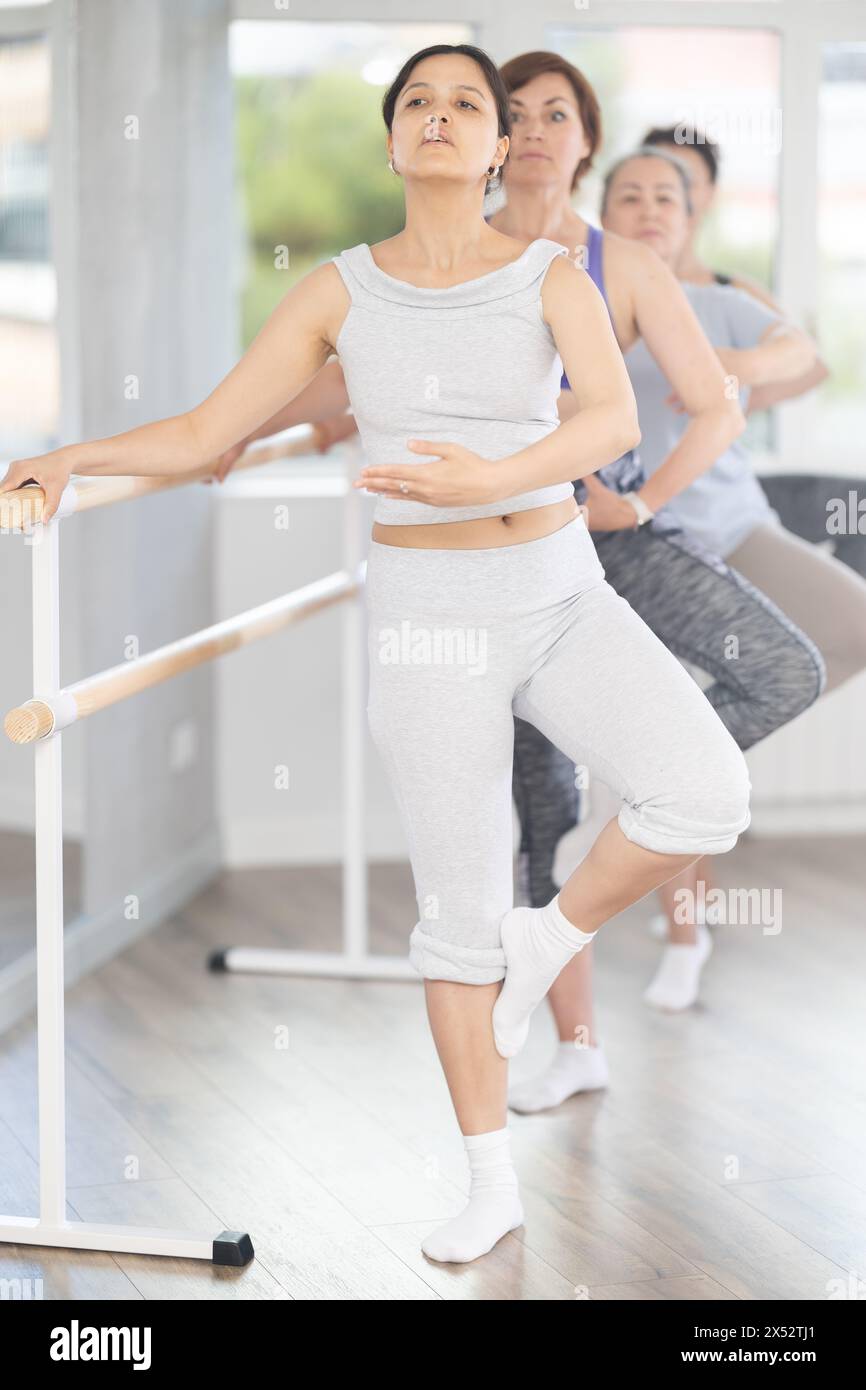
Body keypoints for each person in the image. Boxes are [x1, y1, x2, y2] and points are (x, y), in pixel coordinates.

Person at [0, 42, 759, 1266]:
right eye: (419, 103)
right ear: (395, 144)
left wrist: (493, 474)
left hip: (558, 585)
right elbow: (206, 432)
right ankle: (484, 1179)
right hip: (426, 613)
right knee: (455, 913)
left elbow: (608, 418)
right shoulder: (340, 290)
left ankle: (546, 941)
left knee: (706, 787)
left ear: (501, 145)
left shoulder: (552, 274)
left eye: (470, 103)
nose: (444, 118)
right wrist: (69, 458)